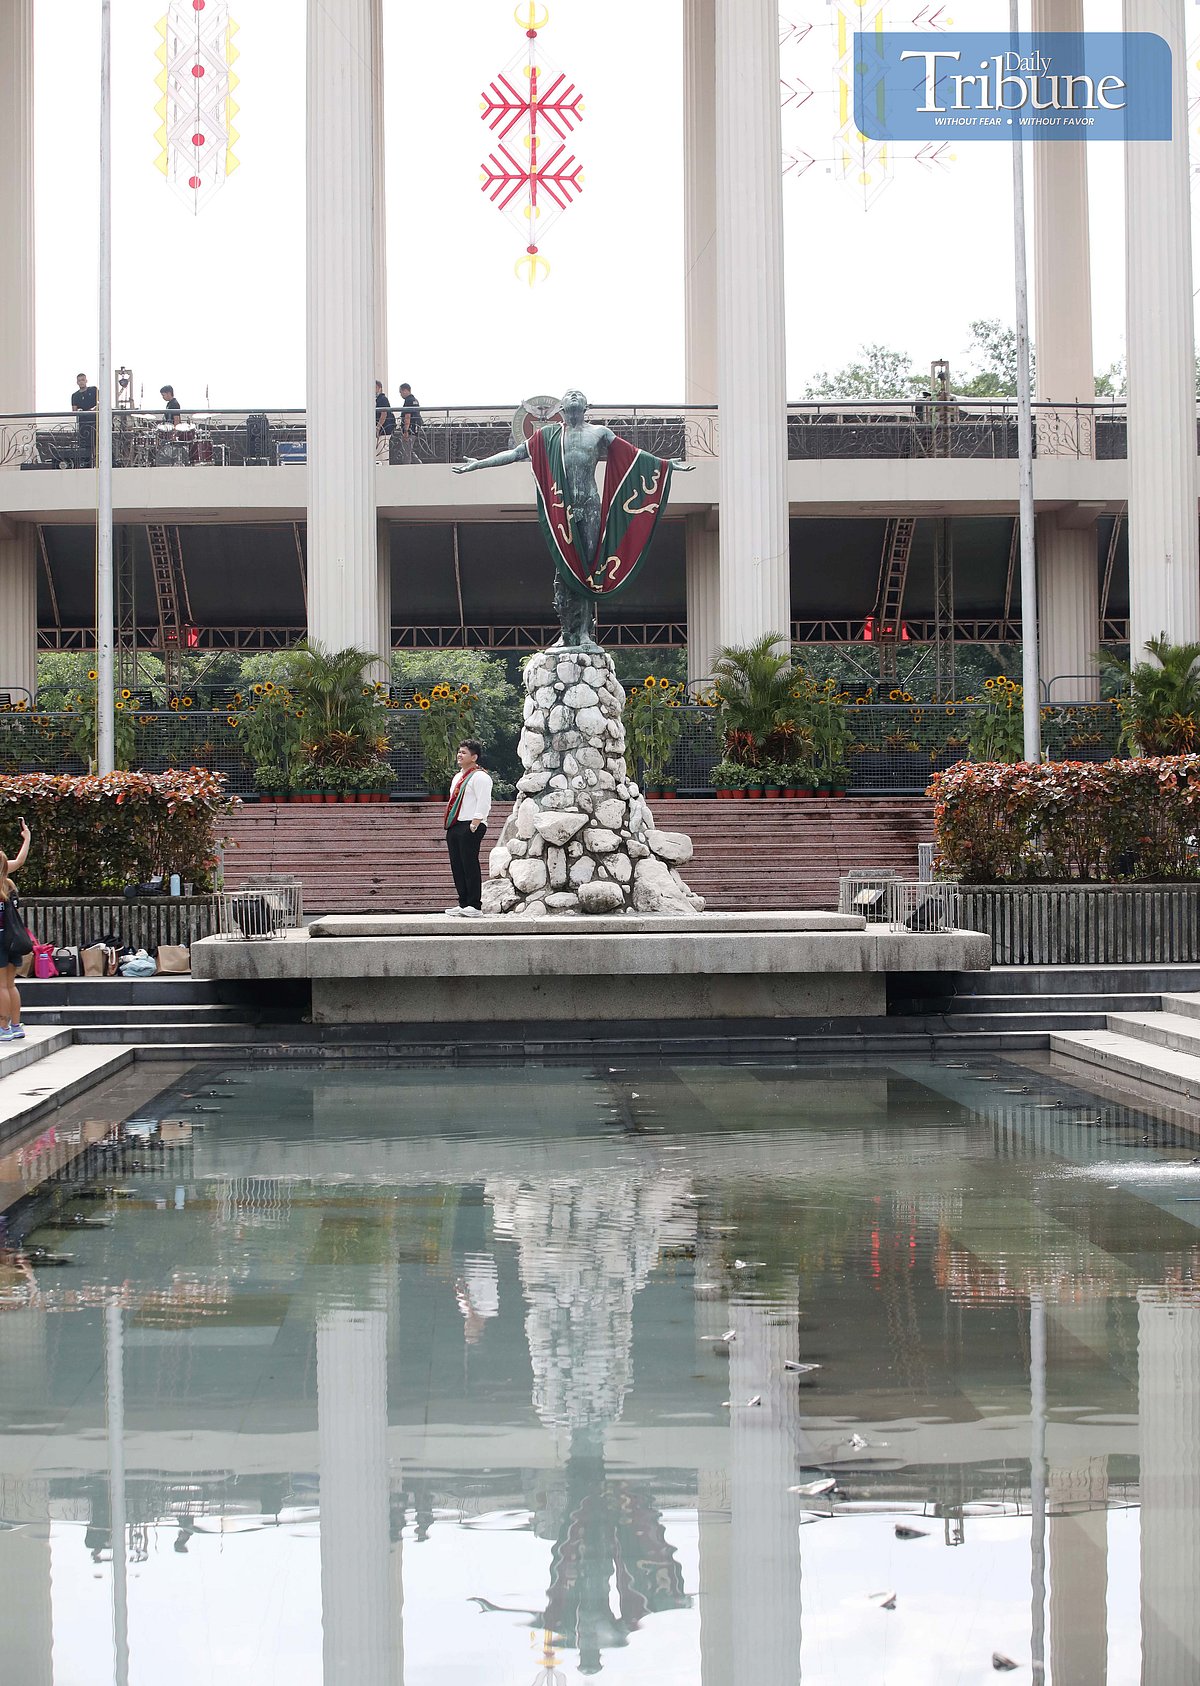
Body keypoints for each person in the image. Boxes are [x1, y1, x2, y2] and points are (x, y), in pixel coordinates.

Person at [454, 389, 693, 648]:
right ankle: (567, 632)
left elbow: (633, 456)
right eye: (570, 394)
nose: (575, 396)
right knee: (565, 572)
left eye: (579, 394)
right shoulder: (547, 436)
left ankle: (584, 634)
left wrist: (666, 465)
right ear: (562, 407)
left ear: (586, 405)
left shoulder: (600, 432)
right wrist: (479, 464)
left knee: (588, 569)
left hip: (590, 504)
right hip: (562, 509)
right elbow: (514, 454)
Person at [443, 740, 492, 917]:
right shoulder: (457, 777)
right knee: (457, 865)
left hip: (471, 824)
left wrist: (475, 823)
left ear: (474, 757)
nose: (459, 755)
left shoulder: (480, 777)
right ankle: (463, 902)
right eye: (459, 751)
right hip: (455, 825)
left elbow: (484, 802)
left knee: (469, 863)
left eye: (464, 752)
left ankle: (474, 905)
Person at [0, 818, 32, 1042]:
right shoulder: (7, 885)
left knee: (0, 985)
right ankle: (16, 1025)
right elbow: (19, 861)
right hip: (12, 940)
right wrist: (27, 837)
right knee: (11, 984)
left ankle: (3, 1027)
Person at [72, 373, 97, 466]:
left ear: (86, 380)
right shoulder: (75, 395)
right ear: (77, 382)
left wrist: (93, 409)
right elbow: (74, 411)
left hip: (95, 421)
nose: (81, 382)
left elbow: (101, 402)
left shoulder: (93, 390)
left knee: (97, 442)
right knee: (86, 444)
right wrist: (79, 410)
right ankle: (88, 463)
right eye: (79, 380)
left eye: (83, 380)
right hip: (83, 423)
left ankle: (98, 462)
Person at [399, 383, 422, 463]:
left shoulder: (408, 401)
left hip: (410, 430)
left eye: (400, 392)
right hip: (415, 429)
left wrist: (406, 431)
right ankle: (420, 465)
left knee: (406, 452)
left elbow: (407, 416)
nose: (400, 394)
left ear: (405, 391)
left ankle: (406, 470)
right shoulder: (415, 400)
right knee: (409, 450)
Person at [375, 380, 396, 463]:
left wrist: (378, 427)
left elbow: (384, 414)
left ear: (379, 388)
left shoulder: (382, 399)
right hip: (384, 429)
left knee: (382, 452)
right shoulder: (379, 399)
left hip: (384, 430)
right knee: (380, 451)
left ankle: (384, 466)